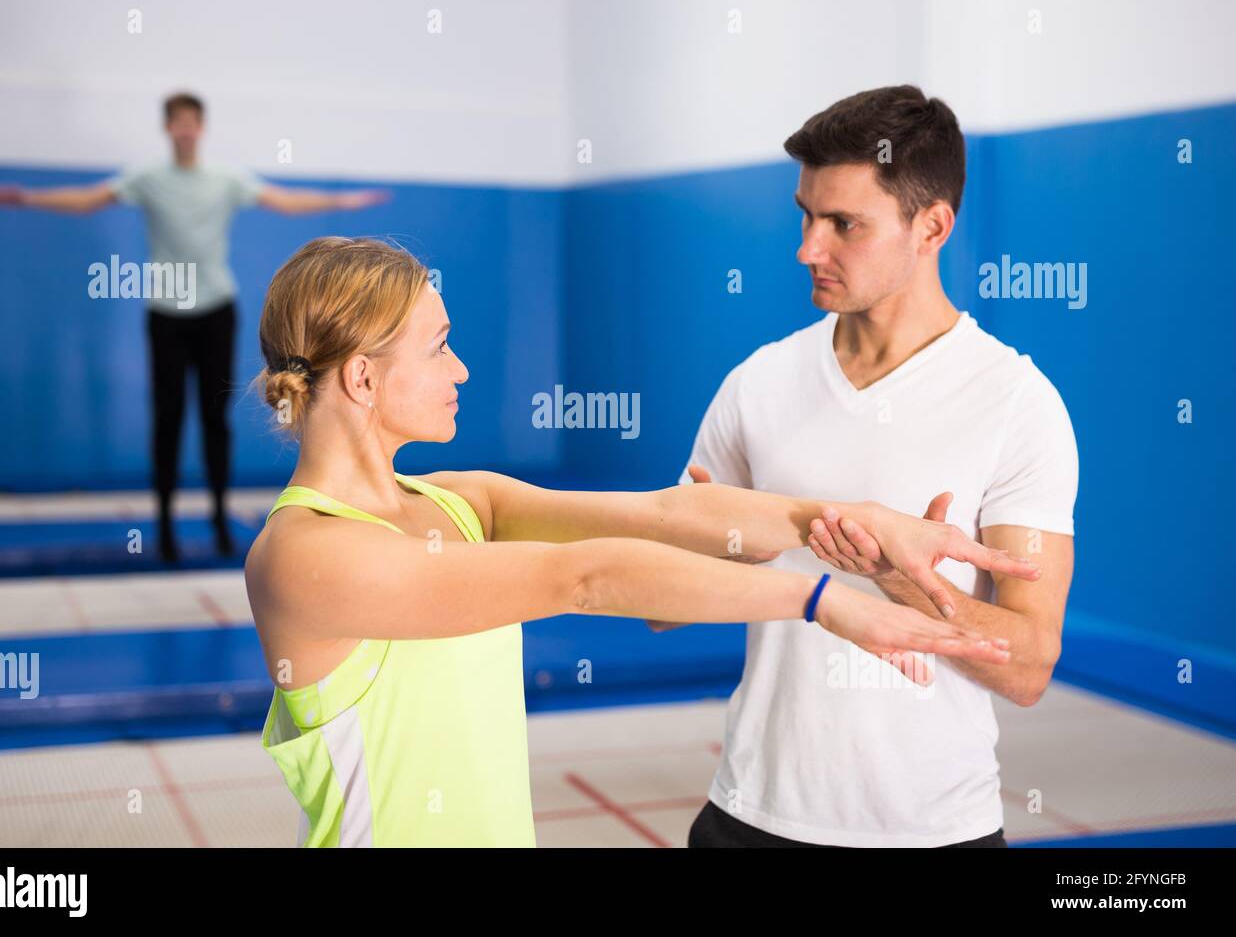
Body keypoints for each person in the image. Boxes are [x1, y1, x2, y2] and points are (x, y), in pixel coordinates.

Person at [242, 235, 1033, 847]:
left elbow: (662, 515)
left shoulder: (456, 502)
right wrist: (822, 600)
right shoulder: (304, 554)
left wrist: (859, 521)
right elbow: (582, 577)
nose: (464, 368)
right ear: (361, 379)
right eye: (438, 345)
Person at [668, 85, 1078, 848]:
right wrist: (735, 541)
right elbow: (661, 602)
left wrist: (898, 578)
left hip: (933, 830)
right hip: (749, 817)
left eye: (843, 225)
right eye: (805, 214)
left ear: (932, 227)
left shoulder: (1018, 403)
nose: (807, 248)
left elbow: (1027, 666)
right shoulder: (757, 382)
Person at [0, 92, 390, 562]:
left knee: (214, 419)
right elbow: (90, 199)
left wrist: (344, 199)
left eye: (192, 122)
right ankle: (165, 524)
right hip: (166, 314)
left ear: (201, 127)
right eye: (177, 122)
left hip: (216, 310)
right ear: (168, 128)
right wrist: (27, 198)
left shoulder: (225, 179)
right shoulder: (149, 178)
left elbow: (285, 200)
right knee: (168, 419)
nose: (185, 129)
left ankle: (218, 518)